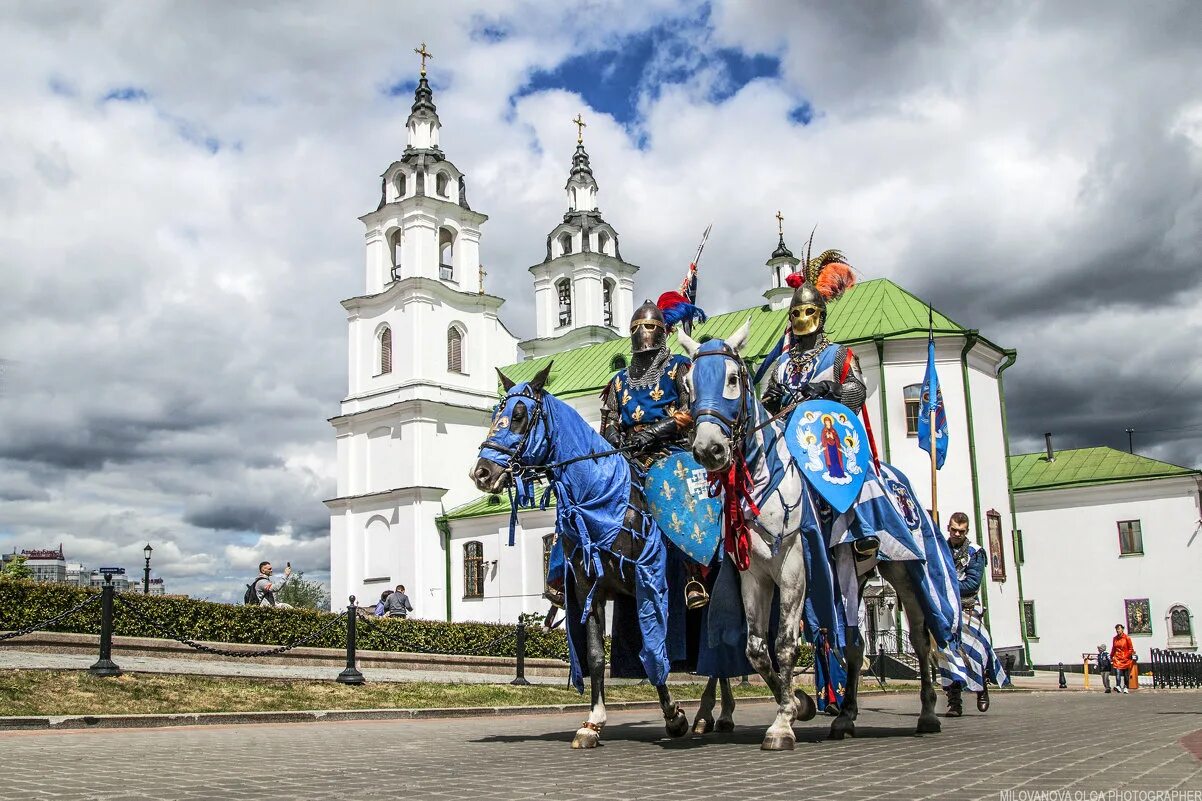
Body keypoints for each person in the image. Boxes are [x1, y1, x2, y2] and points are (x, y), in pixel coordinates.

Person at [543, 296, 709, 610]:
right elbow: (608, 421)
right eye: (636, 327)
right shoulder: (619, 380)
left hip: (669, 450)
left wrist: (653, 432)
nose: (642, 332)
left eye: (649, 326)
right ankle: (560, 576)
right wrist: (616, 441)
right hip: (627, 454)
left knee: (680, 495)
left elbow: (690, 411)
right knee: (576, 499)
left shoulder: (678, 368)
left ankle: (692, 575)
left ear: (662, 331)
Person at [940, 512, 1008, 715]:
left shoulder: (975, 552)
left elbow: (972, 583)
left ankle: (982, 687)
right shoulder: (940, 548)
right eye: (954, 529)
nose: (957, 534)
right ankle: (954, 701)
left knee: (979, 648)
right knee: (948, 654)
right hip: (946, 609)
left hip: (968, 606)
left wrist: (946, 586)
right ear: (948, 528)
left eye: (961, 531)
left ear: (967, 531)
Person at [1110, 623, 1135, 693]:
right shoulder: (1115, 638)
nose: (1117, 631)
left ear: (1122, 629)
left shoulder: (1127, 638)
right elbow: (1113, 648)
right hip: (1117, 658)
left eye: (1119, 629)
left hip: (1125, 658)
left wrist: (1126, 655)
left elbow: (1131, 649)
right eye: (1116, 629)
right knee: (1117, 673)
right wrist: (1111, 656)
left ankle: (1126, 687)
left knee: (1126, 674)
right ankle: (1118, 686)